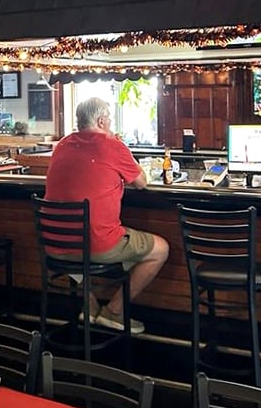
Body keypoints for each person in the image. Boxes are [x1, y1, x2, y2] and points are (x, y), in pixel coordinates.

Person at [45, 97, 169, 334]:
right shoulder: (112, 145)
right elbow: (141, 183)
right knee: (160, 249)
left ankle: (90, 308)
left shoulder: (62, 144)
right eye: (110, 119)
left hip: (53, 242)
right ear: (101, 121)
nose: (111, 123)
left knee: (75, 249)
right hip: (96, 243)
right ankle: (114, 312)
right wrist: (123, 150)